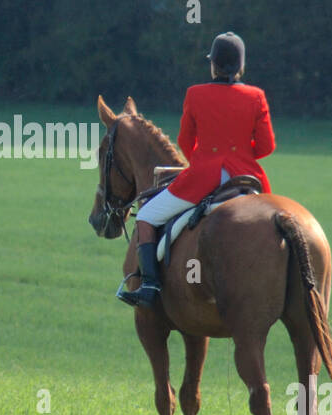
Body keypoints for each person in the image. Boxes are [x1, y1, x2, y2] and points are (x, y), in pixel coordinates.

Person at [118, 31, 276, 308]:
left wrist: (202, 161)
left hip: (203, 177)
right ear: (240, 67)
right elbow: (266, 146)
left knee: (146, 216)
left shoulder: (195, 93)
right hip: (247, 178)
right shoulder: (256, 96)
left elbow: (184, 141)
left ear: (213, 65)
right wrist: (239, 153)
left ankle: (151, 285)